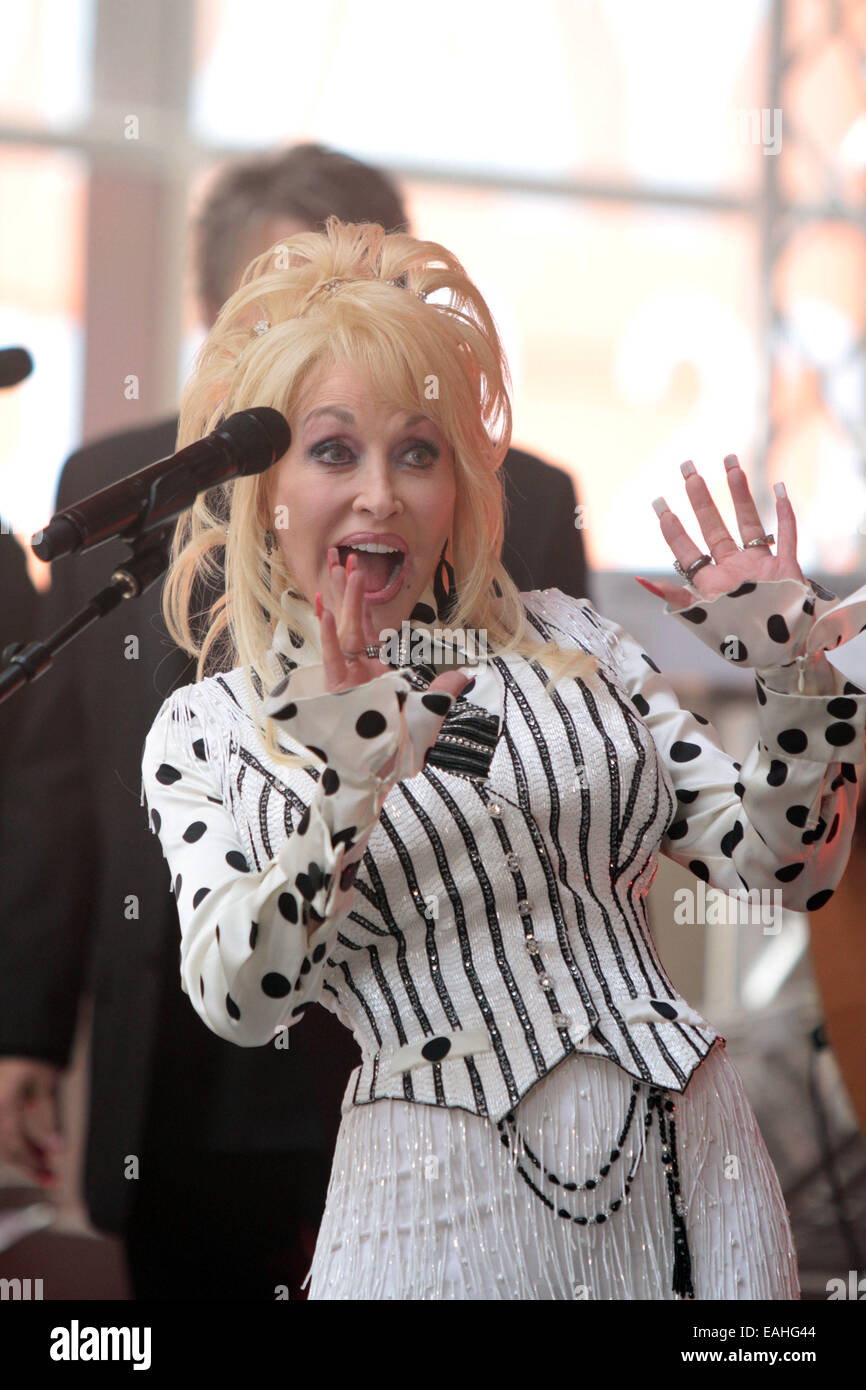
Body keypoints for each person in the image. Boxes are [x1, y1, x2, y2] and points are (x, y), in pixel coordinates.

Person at [140, 216, 866, 1299]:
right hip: (432, 1208)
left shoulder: (574, 643)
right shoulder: (214, 729)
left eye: (417, 452)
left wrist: (796, 680)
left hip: (694, 1178)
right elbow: (242, 998)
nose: (381, 491)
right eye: (334, 448)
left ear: (458, 490)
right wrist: (341, 791)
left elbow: (787, 869)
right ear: (270, 488)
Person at [0, 143, 589, 1300]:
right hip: (181, 1046)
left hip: (434, 1051)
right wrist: (23, 1024)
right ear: (220, 320)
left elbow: (562, 772)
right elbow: (60, 790)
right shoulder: (121, 484)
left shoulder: (514, 497)